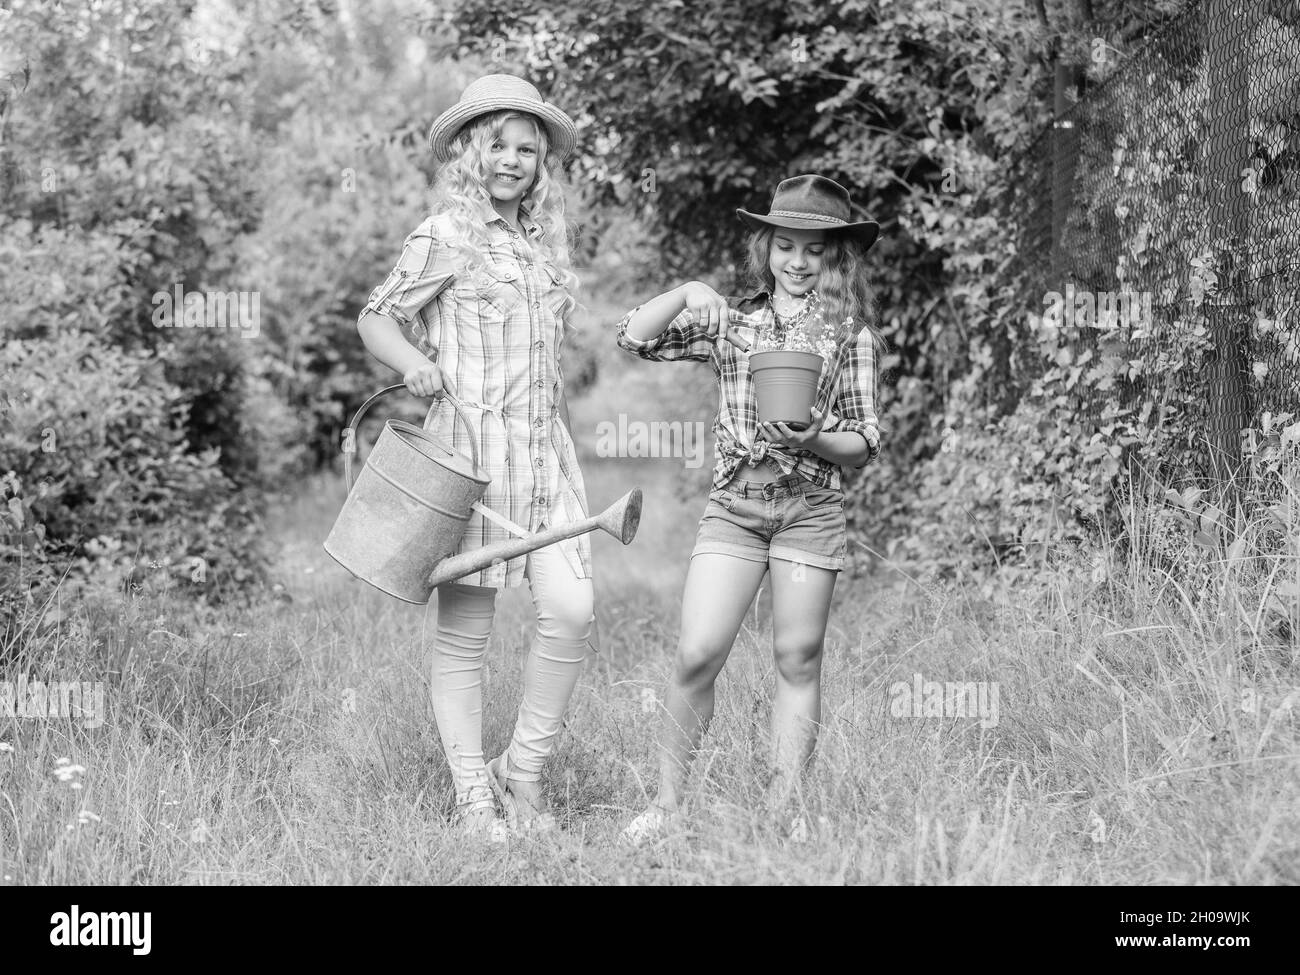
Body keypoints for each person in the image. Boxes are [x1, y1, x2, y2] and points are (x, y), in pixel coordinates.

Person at [355, 74, 593, 841]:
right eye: (498, 144)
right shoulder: (444, 236)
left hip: (543, 459)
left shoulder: (539, 244)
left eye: (528, 148)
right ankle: (472, 798)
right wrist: (411, 365)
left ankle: (520, 772)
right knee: (468, 630)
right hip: (472, 463)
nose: (514, 159)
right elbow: (377, 317)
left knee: (571, 607)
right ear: (470, 151)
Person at [615, 174, 884, 844]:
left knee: (798, 656)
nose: (798, 261)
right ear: (765, 248)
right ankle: (669, 805)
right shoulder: (731, 324)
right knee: (699, 652)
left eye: (814, 250)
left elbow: (865, 440)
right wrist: (687, 291)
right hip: (736, 506)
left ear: (832, 259)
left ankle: (785, 808)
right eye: (786, 245)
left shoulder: (849, 334)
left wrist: (816, 435)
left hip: (809, 507)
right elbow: (635, 338)